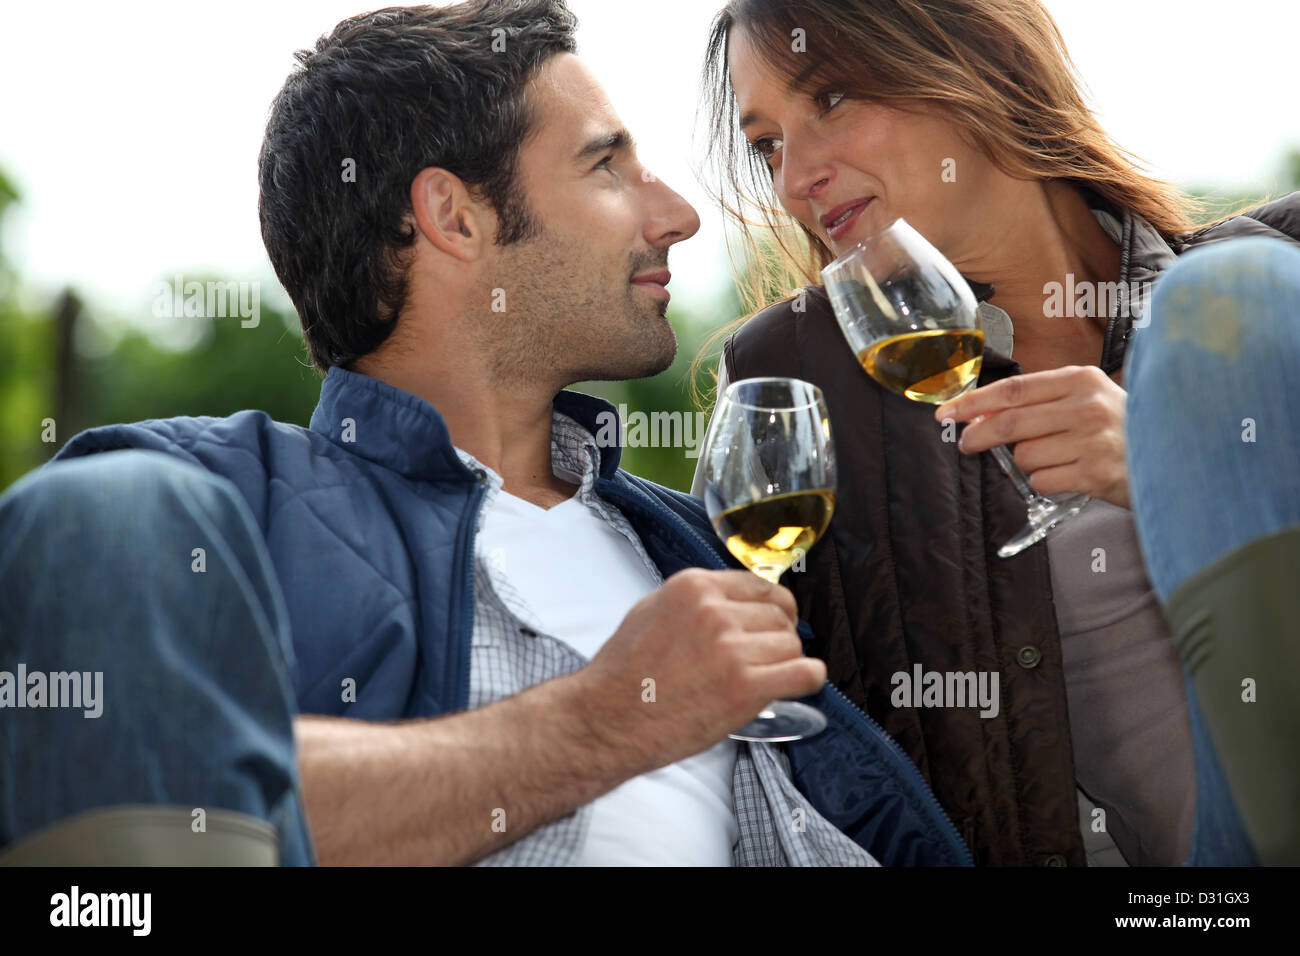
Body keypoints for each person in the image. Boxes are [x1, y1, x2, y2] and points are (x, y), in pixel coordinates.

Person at [0, 1, 972, 867]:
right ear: (454, 217)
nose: (677, 216)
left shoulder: (709, 543)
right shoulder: (207, 499)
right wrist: (603, 717)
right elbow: (144, 775)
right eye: (605, 165)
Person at [692, 0, 1300, 865]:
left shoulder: (1271, 287)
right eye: (767, 145)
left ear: (978, 59)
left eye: (829, 99)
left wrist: (1165, 468)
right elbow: (736, 705)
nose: (795, 180)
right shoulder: (803, 385)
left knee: (1235, 298)